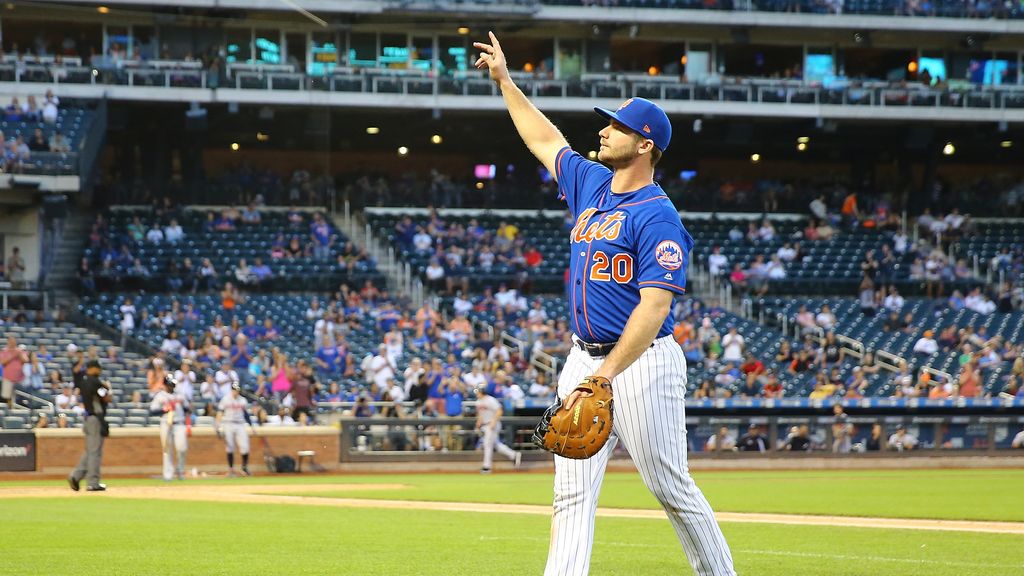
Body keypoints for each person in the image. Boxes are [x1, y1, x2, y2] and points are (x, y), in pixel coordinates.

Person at [474, 31, 734, 575]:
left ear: (645, 145)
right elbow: (546, 141)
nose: (604, 129)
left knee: (670, 487)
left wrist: (608, 376)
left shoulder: (658, 216)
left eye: (616, 125)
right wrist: (506, 82)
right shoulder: (593, 185)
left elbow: (655, 308)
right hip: (583, 357)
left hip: (640, 362)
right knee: (570, 494)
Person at [68, 360, 110, 491]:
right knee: (95, 452)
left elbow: (75, 375)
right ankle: (92, 482)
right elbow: (106, 397)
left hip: (88, 418)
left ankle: (76, 476)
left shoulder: (83, 380)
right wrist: (106, 387)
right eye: (98, 368)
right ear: (92, 368)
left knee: (90, 451)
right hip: (95, 418)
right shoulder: (94, 381)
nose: (99, 371)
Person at [149, 374, 190, 481]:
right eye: (170, 384)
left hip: (179, 423)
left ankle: (180, 471)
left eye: (173, 384)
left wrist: (188, 422)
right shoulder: (160, 396)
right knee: (167, 449)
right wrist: (164, 410)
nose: (172, 386)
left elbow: (186, 409)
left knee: (182, 448)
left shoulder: (180, 395)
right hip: (166, 424)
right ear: (165, 385)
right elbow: (152, 411)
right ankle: (168, 474)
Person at [473, 386, 521, 474]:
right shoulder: (478, 402)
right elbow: (481, 414)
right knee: (497, 445)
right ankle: (514, 455)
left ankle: (486, 467)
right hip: (485, 425)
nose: (477, 393)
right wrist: (478, 423)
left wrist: (493, 422)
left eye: (478, 392)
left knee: (487, 444)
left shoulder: (490, 400)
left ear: (483, 392)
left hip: (493, 424)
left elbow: (499, 411)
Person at [216, 382, 252, 476]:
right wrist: (218, 426)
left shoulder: (242, 400)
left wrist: (251, 424)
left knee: (245, 446)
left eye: (237, 390)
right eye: (235, 390)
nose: (236, 392)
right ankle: (231, 469)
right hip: (228, 423)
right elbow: (220, 412)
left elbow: (245, 414)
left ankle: (244, 468)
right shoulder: (225, 399)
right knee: (230, 447)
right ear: (231, 389)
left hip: (240, 424)